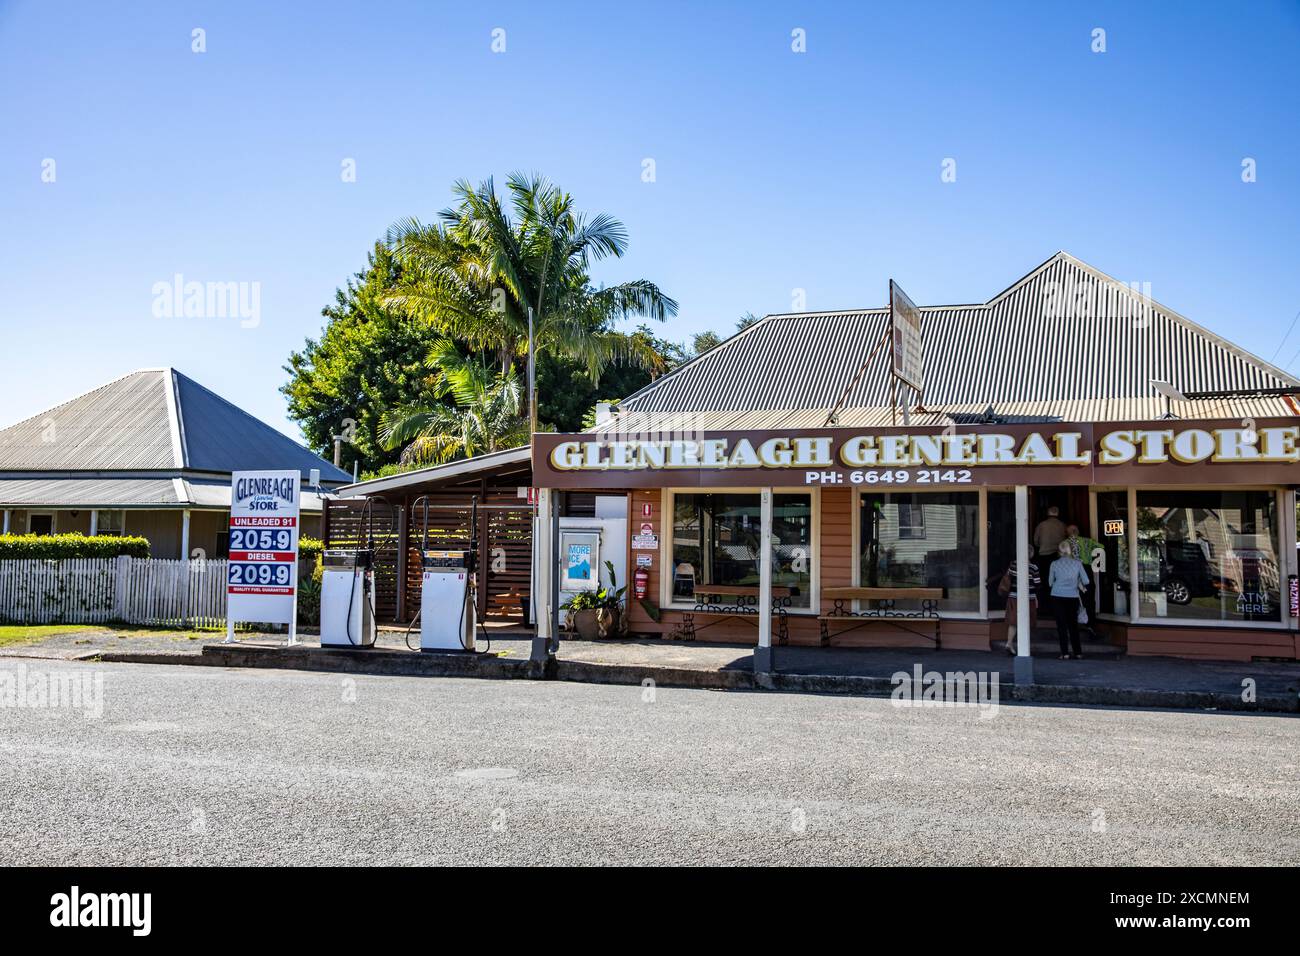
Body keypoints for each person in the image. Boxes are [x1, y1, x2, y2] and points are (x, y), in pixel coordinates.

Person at [1049, 540, 1090, 659]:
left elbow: (1050, 582)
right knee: (1073, 625)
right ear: (1070, 550)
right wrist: (1076, 582)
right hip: (1072, 596)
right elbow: (1086, 581)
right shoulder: (1077, 564)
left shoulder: (1054, 564)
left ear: (1059, 552)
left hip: (1057, 596)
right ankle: (1078, 652)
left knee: (1061, 626)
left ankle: (1064, 653)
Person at [999, 549, 1040, 655]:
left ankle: (1009, 643)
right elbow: (1037, 584)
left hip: (1013, 596)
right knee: (1026, 621)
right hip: (1028, 597)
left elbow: (1009, 579)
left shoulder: (1013, 565)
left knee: (1013, 622)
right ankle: (1023, 646)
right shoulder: (1033, 568)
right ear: (1031, 555)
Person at [1065, 524, 1102, 631]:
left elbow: (1062, 558)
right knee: (1089, 596)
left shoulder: (1066, 543)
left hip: (1072, 570)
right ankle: (1090, 622)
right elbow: (1101, 547)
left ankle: (1074, 622)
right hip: (1086, 569)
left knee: (1073, 596)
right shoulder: (1088, 541)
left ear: (1069, 532)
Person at [1033, 506, 1068, 602]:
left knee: (1045, 579)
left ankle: (1046, 602)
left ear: (1047, 514)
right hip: (1058, 556)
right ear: (1058, 514)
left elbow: (1035, 542)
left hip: (1044, 556)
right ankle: (1057, 600)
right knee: (1059, 579)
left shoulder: (1041, 525)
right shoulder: (1063, 525)